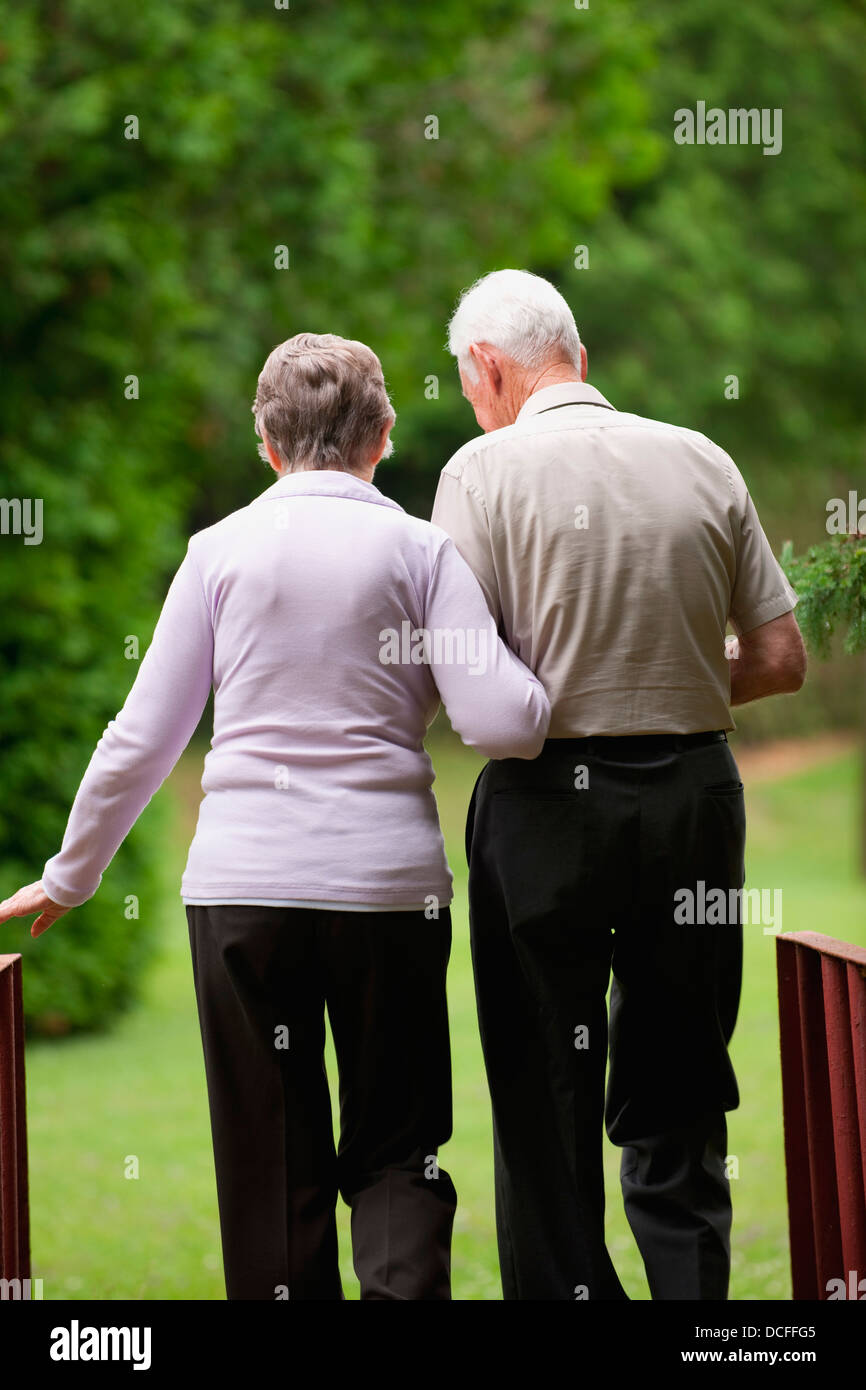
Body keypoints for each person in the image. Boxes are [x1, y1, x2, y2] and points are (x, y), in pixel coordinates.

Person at [0, 332, 550, 1301]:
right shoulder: (422, 551)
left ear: (265, 442)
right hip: (388, 891)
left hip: (243, 890)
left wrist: (70, 876)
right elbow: (503, 722)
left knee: (269, 1160)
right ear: (383, 435)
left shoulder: (217, 553)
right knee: (398, 1147)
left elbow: (142, 738)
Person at [431, 269, 807, 1301]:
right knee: (681, 1078)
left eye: (468, 387)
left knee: (542, 1081)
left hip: (543, 805)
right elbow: (780, 659)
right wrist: (674, 675)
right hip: (692, 798)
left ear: (488, 367)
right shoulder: (701, 457)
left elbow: (464, 678)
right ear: (579, 357)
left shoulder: (478, 472)